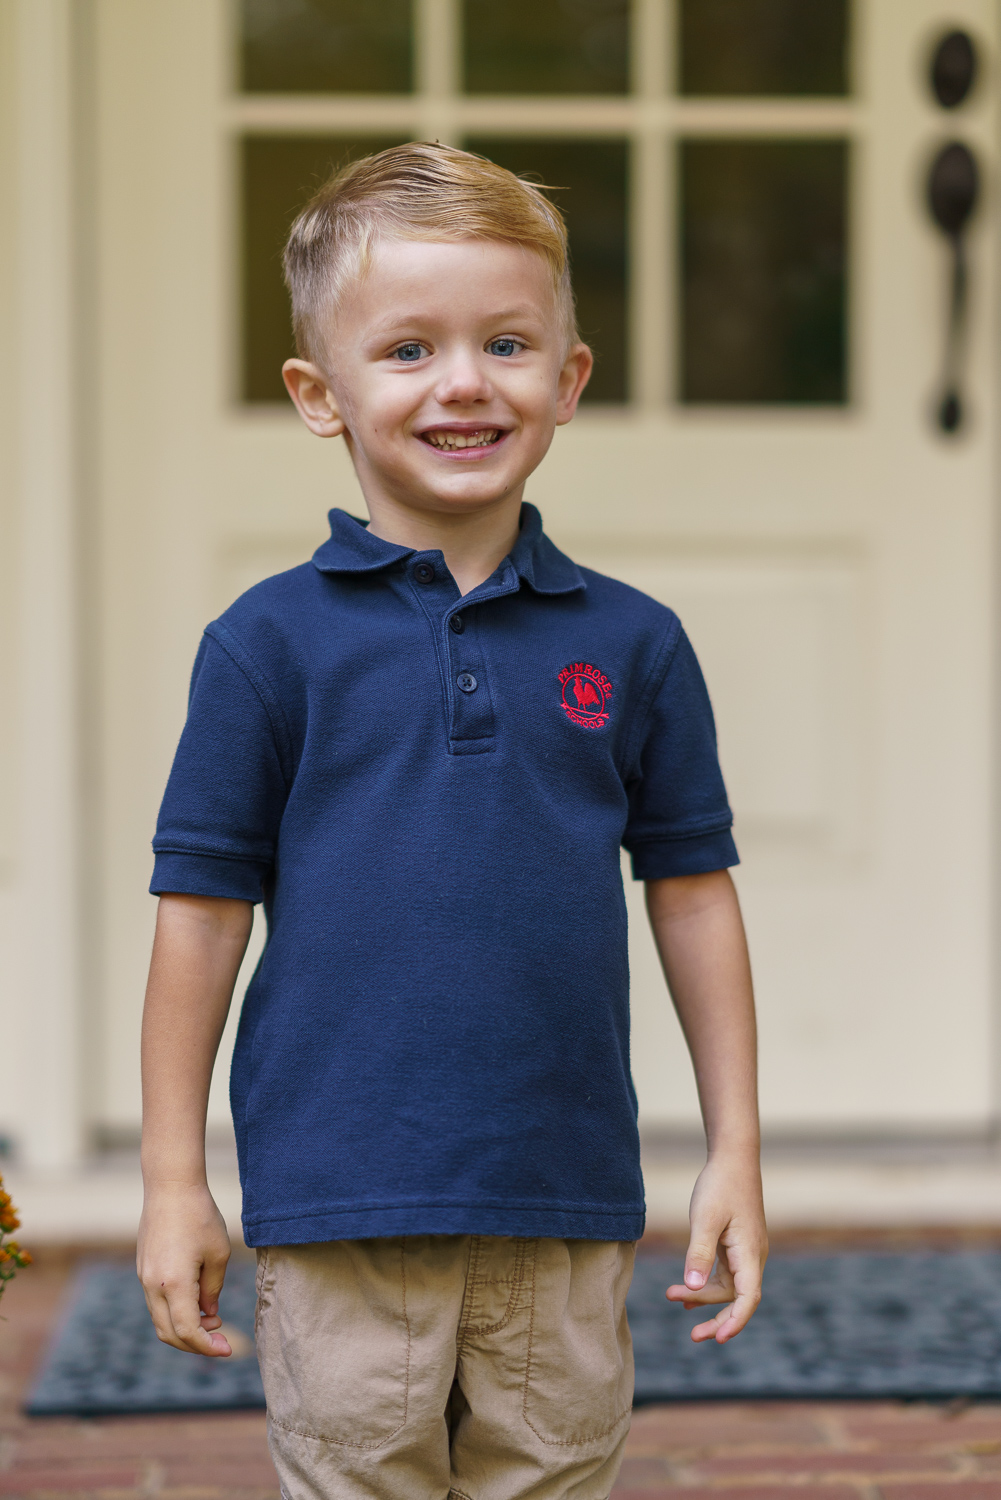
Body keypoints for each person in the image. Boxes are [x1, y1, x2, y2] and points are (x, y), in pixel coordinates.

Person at [137, 142, 767, 1500]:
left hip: (561, 1195)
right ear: (320, 394)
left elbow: (693, 891)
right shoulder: (266, 648)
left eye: (506, 342)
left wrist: (734, 1148)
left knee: (551, 1473)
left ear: (568, 378)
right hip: (339, 1201)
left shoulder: (633, 645)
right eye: (409, 348)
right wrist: (172, 1177)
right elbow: (199, 920)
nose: (465, 381)